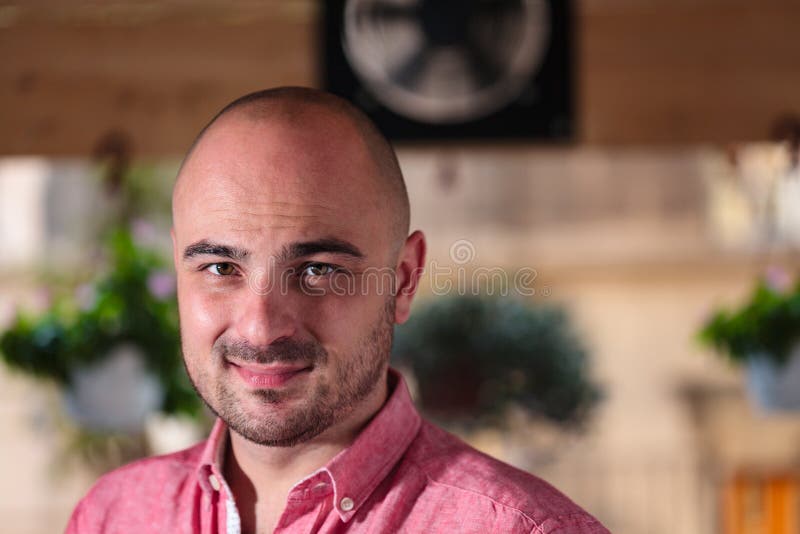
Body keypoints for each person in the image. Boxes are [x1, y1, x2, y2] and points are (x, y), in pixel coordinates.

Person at [65, 87, 609, 534]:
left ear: (403, 280)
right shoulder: (112, 517)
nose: (260, 326)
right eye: (220, 268)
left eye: (317, 270)